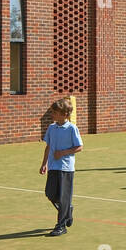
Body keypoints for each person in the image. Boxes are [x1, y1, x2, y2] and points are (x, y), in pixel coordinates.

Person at [41, 97, 83, 235]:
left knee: (64, 196)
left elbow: (79, 147)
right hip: (53, 166)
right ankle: (67, 210)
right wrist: (44, 164)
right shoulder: (51, 128)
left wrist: (63, 153)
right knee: (50, 193)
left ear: (65, 114)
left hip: (66, 167)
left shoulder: (72, 128)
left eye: (55, 112)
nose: (52, 114)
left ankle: (61, 226)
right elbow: (48, 147)